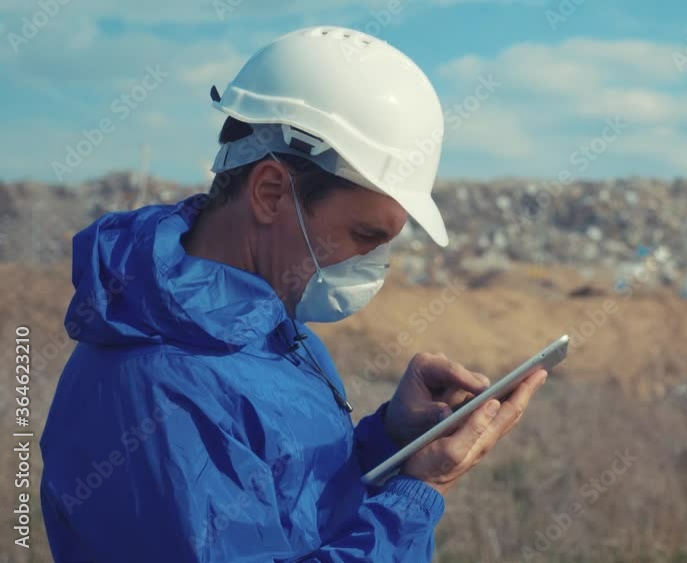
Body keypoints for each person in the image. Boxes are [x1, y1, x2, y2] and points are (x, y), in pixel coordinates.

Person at [39, 26, 547, 562]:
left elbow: (292, 505)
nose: (373, 265)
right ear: (270, 192)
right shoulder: (158, 391)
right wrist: (419, 494)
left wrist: (394, 438)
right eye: (365, 236)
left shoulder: (263, 325)